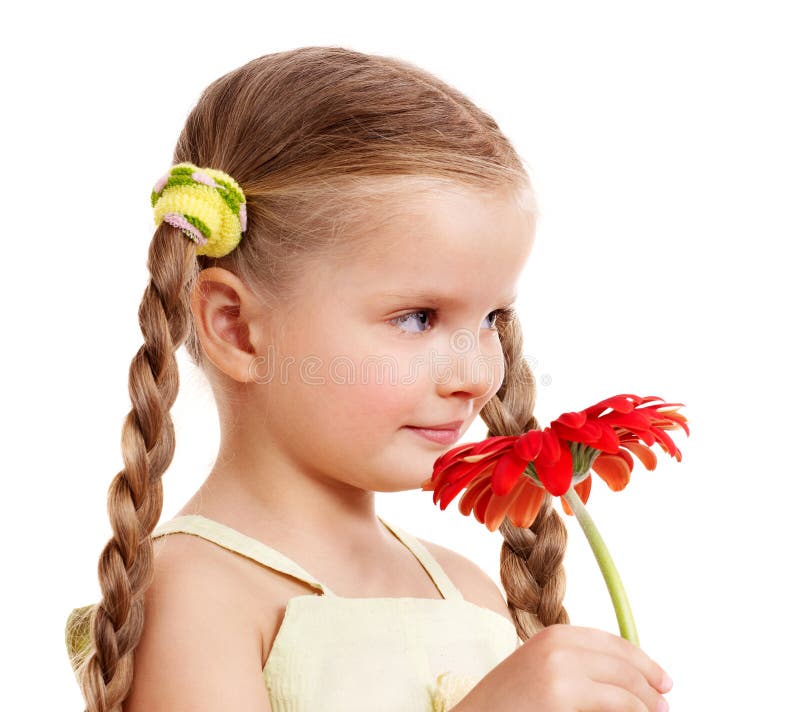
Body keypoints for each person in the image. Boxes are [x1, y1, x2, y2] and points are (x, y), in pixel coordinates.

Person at [64, 46, 673, 712]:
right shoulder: (193, 595)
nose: (478, 375)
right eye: (417, 318)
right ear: (235, 327)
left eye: (492, 317)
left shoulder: (469, 593)